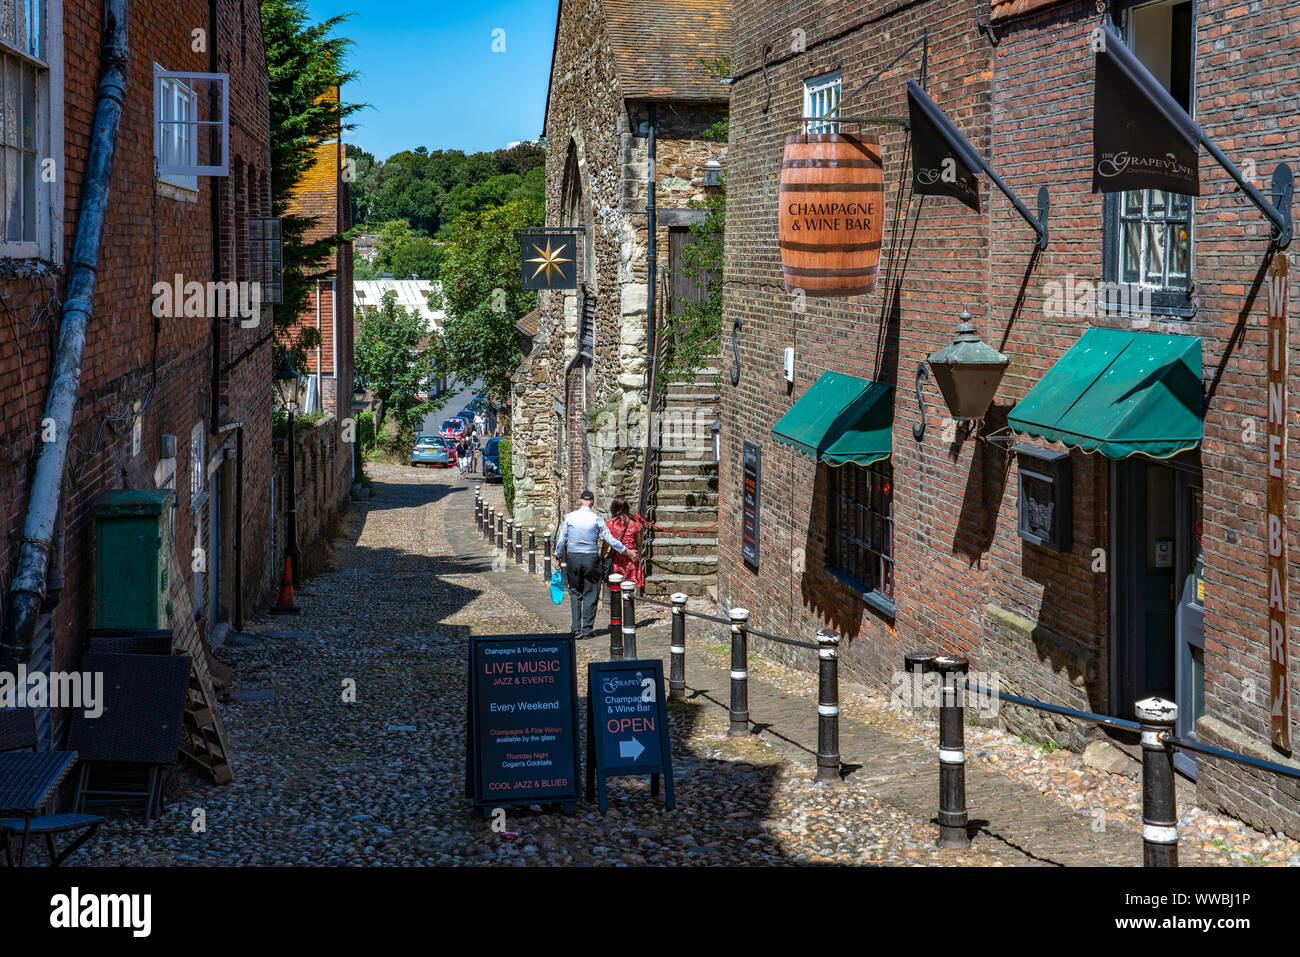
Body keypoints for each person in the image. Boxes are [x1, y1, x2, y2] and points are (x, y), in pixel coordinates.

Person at [556, 490, 636, 640]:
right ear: (592, 502)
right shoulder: (596, 519)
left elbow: (561, 540)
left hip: (573, 557)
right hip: (591, 559)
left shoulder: (569, 518)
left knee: (574, 592)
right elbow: (611, 540)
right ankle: (587, 629)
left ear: (580, 501)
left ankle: (575, 628)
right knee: (591, 593)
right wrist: (628, 552)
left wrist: (558, 557)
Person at [605, 495, 644, 591]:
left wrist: (602, 558)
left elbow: (605, 545)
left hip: (615, 561)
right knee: (629, 589)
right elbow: (638, 542)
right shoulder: (635, 523)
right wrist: (636, 553)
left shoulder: (610, 524)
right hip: (630, 559)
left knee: (616, 589)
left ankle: (618, 606)